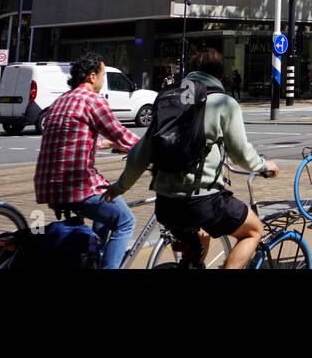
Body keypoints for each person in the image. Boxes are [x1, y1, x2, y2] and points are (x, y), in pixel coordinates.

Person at [109, 48, 276, 269]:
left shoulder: (169, 101)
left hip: (165, 205)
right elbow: (241, 155)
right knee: (253, 231)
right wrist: (265, 165)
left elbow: (141, 153)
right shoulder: (224, 103)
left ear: (192, 71)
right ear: (221, 74)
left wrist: (119, 187)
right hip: (203, 202)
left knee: (200, 237)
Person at [33, 53, 141, 268]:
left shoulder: (60, 101)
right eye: (103, 75)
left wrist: (109, 145)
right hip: (75, 186)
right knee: (125, 221)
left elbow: (74, 139)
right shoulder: (92, 100)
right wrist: (152, 152)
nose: (103, 81)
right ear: (93, 77)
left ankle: (93, 260)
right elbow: (123, 135)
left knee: (103, 215)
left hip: (47, 186)